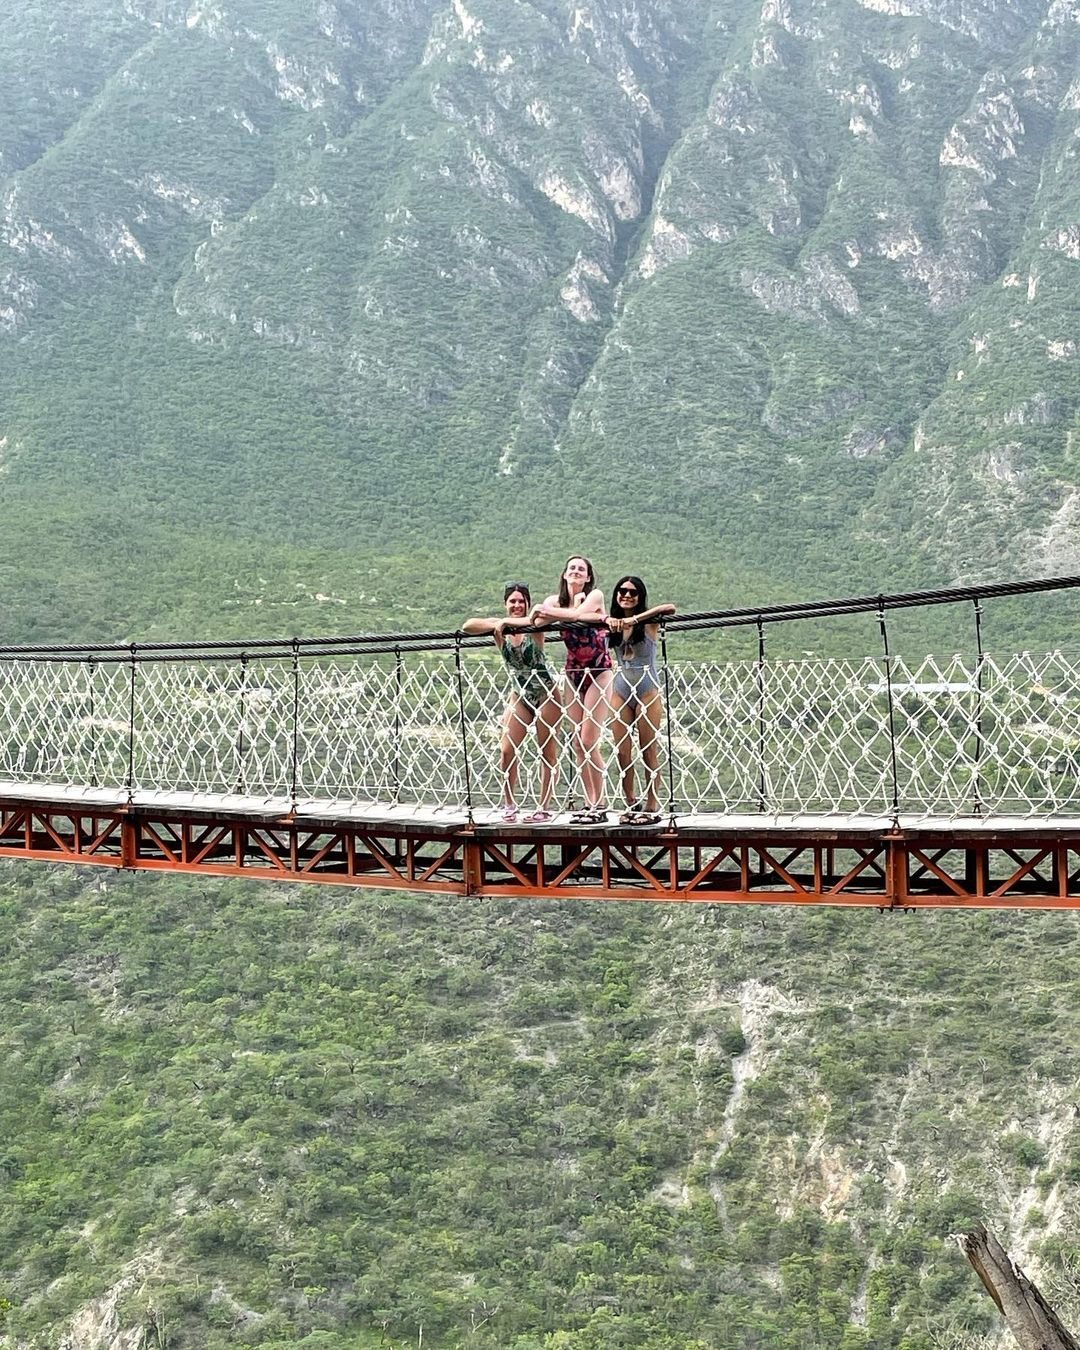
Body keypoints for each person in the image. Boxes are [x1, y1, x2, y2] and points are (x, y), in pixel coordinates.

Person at [462, 583, 561, 823]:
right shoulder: (501, 629)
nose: (517, 605)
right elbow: (467, 626)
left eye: (521, 601)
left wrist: (510, 623)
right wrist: (499, 624)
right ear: (506, 604)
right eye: (512, 601)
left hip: (547, 692)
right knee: (506, 749)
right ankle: (509, 803)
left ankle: (543, 807)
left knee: (546, 751)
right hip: (520, 693)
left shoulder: (533, 627)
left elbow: (547, 617)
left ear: (527, 603)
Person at [531, 556, 613, 824]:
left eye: (582, 569)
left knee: (590, 740)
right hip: (574, 673)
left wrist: (548, 612)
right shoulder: (555, 601)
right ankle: (590, 801)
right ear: (564, 574)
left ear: (588, 577)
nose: (576, 572)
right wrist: (538, 614)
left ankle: (599, 804)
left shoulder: (595, 596)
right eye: (572, 568)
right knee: (578, 742)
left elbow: (576, 616)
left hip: (599, 671)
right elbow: (536, 623)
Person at [605, 575, 676, 825]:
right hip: (621, 688)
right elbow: (583, 619)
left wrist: (634, 619)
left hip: (648, 690)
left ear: (640, 597)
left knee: (648, 750)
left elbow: (670, 608)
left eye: (632, 592)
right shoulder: (611, 625)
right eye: (621, 591)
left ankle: (652, 803)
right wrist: (608, 620)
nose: (626, 595)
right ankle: (630, 801)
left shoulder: (649, 624)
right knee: (622, 751)